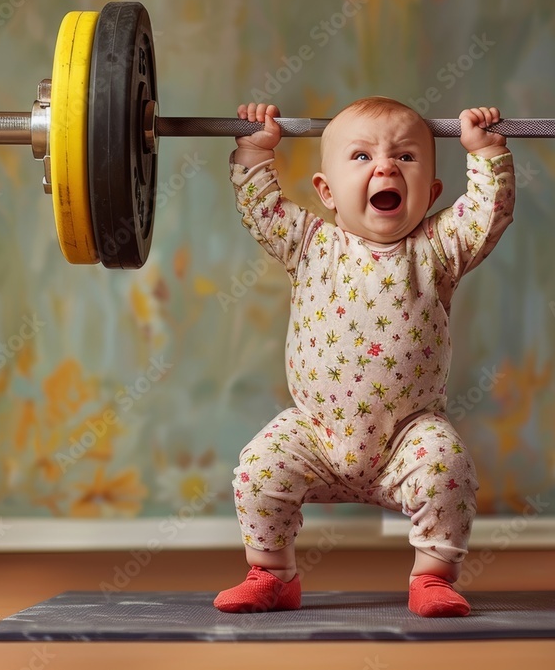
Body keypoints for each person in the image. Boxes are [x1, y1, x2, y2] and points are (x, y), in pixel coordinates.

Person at [215, 96, 514, 617]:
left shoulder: (439, 247)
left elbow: (488, 214)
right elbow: (260, 210)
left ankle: (432, 579)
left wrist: (486, 153)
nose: (385, 166)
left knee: (450, 470)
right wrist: (254, 153)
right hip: (316, 430)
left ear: (431, 192)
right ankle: (272, 572)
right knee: (259, 470)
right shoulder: (309, 243)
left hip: (407, 434)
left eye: (406, 157)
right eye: (361, 157)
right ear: (326, 192)